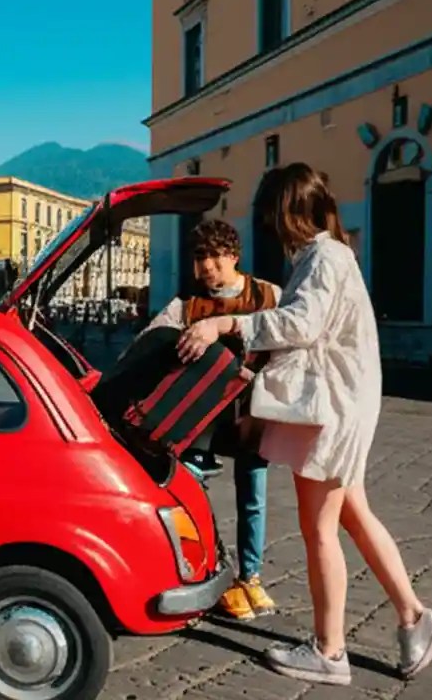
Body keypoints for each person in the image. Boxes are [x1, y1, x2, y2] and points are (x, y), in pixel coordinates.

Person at [175, 163, 432, 686]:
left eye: (271, 217)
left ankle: (330, 650)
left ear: (289, 213)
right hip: (341, 404)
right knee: (353, 515)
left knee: (318, 528)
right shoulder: (323, 256)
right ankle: (416, 616)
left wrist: (227, 321)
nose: (270, 228)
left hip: (333, 410)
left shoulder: (326, 257)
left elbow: (301, 324)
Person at [141, 217, 281, 621]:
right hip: (199, 420)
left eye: (215, 257)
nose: (206, 268)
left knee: (253, 494)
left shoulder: (268, 295)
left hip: (254, 412)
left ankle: (250, 577)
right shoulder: (184, 304)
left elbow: (293, 336)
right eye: (199, 258)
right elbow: (151, 342)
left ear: (233, 256)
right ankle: (207, 570)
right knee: (190, 493)